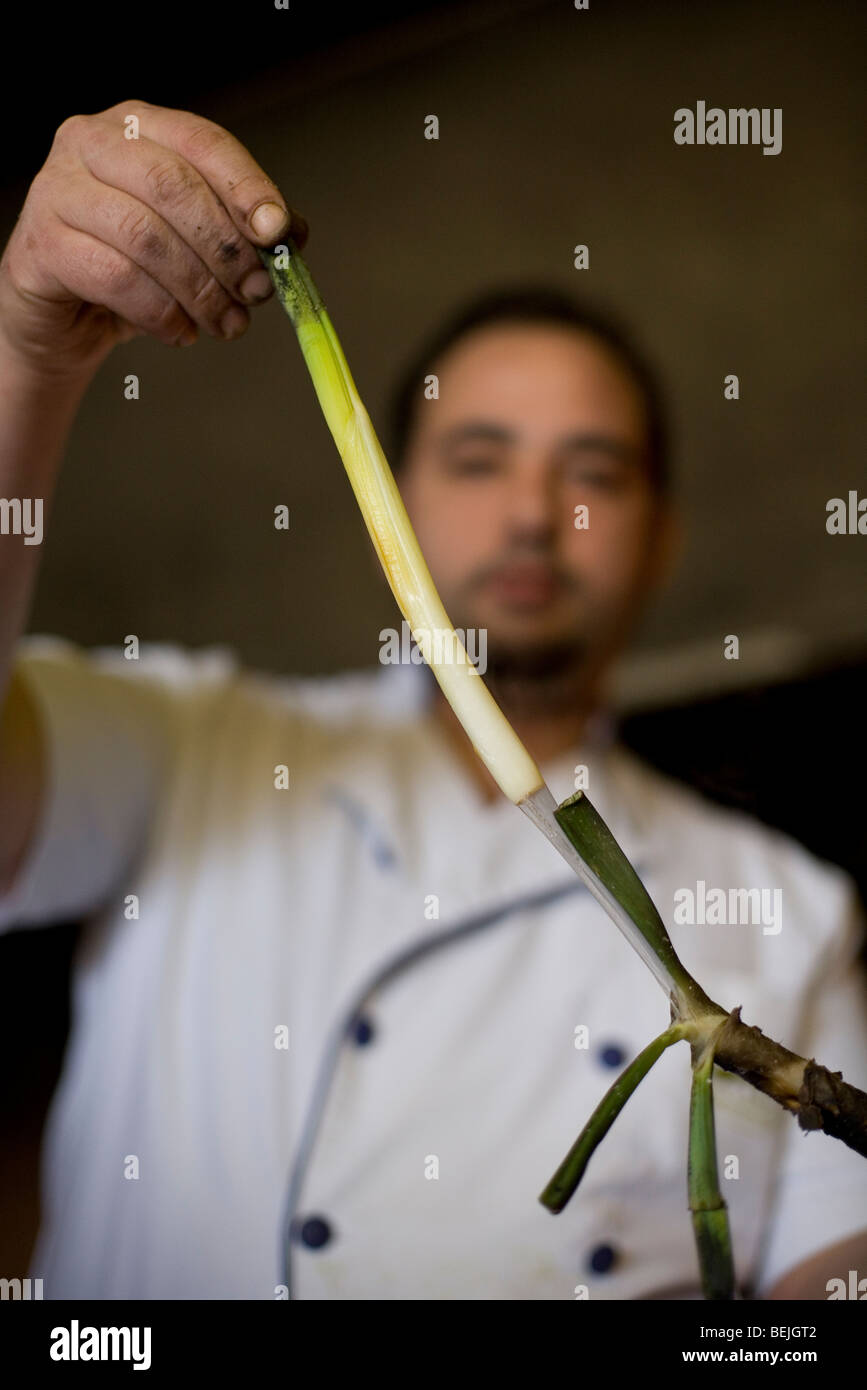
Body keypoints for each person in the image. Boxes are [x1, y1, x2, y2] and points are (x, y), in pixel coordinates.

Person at [0, 99, 865, 1302]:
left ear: (662, 535)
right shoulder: (191, 741)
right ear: (392, 497)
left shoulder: (797, 910)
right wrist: (26, 364)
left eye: (592, 474)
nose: (529, 513)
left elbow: (828, 1284)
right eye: (478, 457)